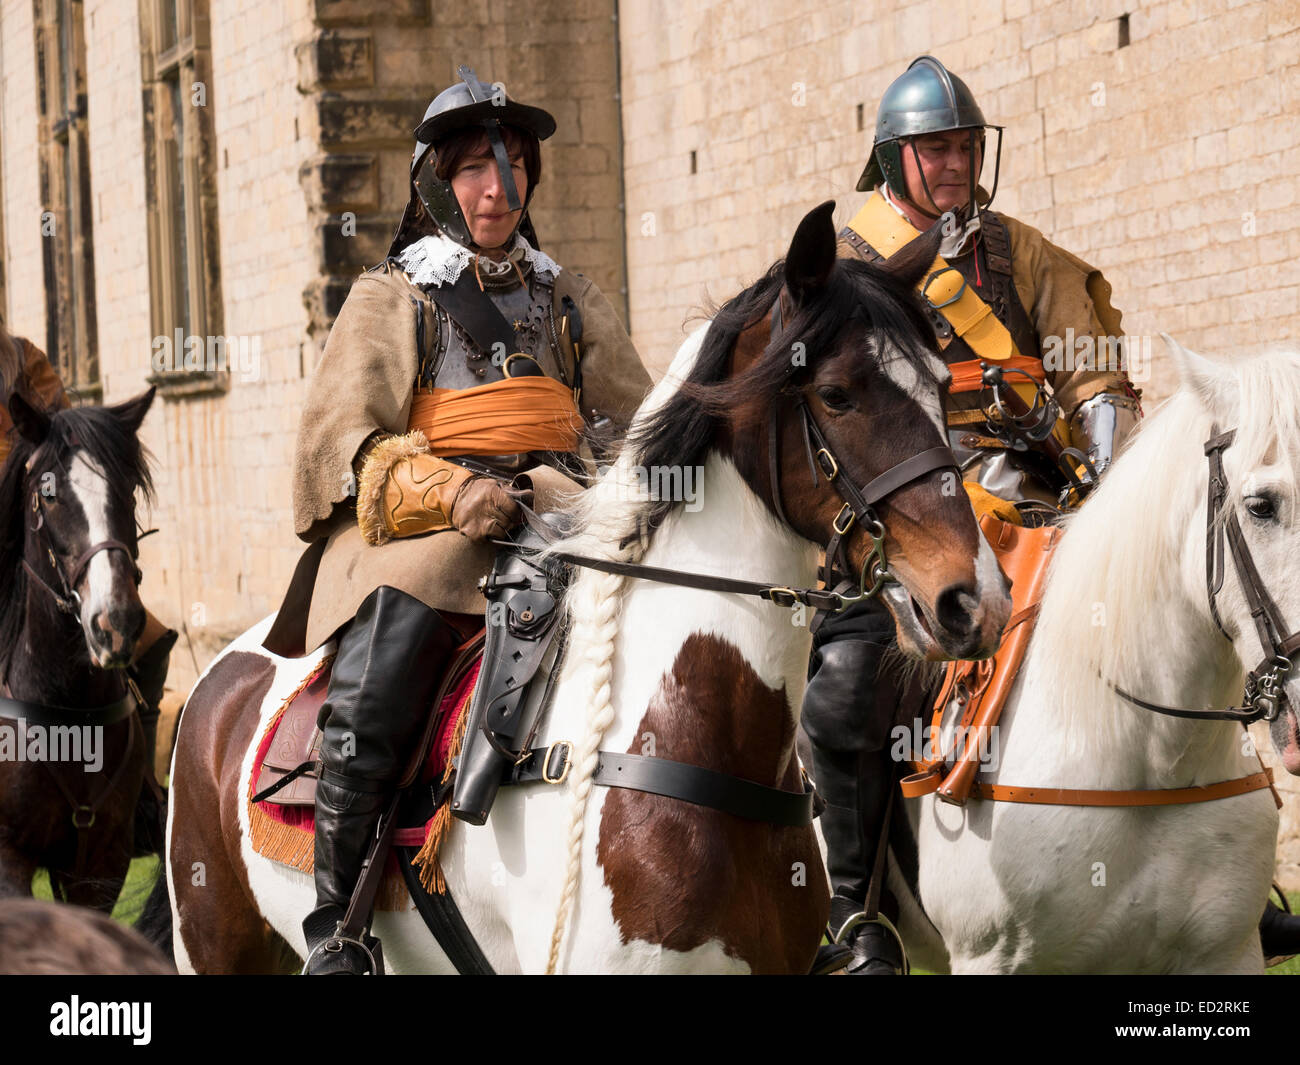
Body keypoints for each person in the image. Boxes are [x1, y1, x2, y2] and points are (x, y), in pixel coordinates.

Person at [275, 67, 651, 975]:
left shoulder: (570, 300)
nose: (499, 188)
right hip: (425, 535)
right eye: (478, 169)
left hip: (559, 516)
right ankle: (336, 925)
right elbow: (347, 446)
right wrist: (452, 492)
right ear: (438, 181)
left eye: (515, 166)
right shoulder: (391, 297)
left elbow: (640, 426)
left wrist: (601, 479)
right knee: (392, 659)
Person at [804, 55, 1145, 974]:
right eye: (934, 149)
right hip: (908, 518)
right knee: (847, 680)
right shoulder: (848, 265)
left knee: (1171, 608)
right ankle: (855, 911)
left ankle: (1212, 850)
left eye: (962, 147)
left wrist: (1103, 471)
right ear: (892, 160)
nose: (954, 164)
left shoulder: (1021, 252)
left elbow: (1096, 370)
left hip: (1040, 496)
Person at [0, 324, 176, 857]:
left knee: (150, 639)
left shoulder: (21, 356)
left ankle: (136, 795)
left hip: (26, 530)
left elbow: (60, 434)